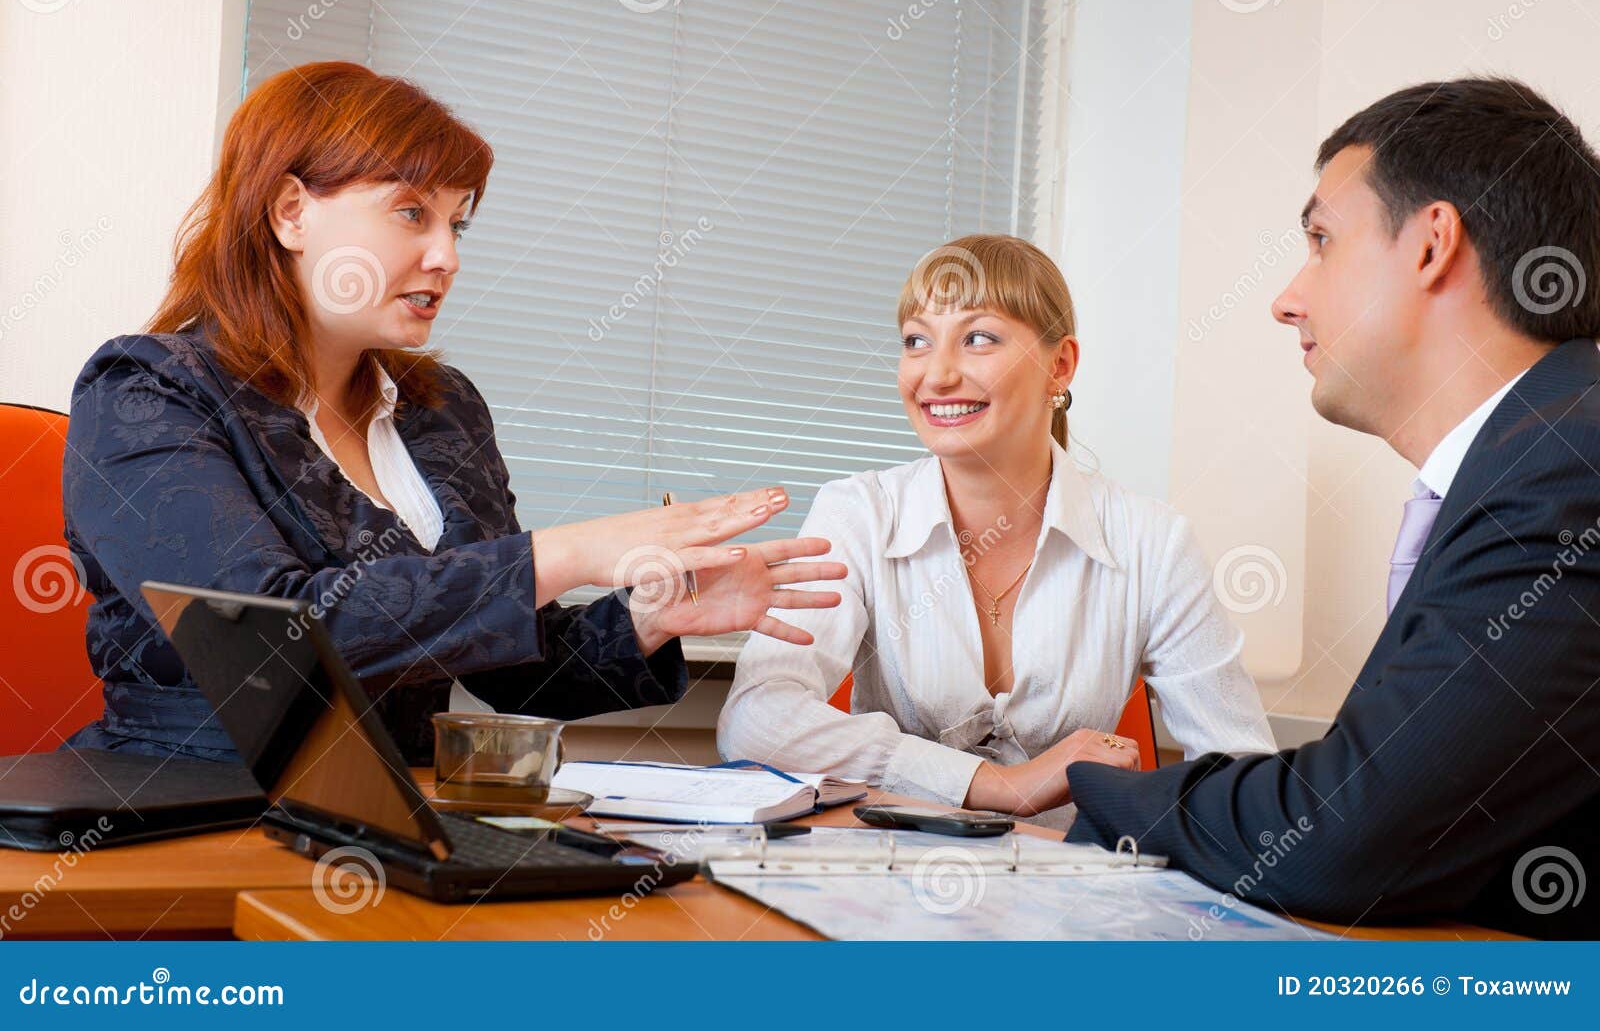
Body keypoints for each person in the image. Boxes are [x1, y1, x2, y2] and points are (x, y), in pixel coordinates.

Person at [62, 61, 845, 764]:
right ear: (291, 212)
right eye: (411, 213)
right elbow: (270, 644)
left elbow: (517, 671)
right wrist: (567, 552)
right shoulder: (146, 392)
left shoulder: (442, 411)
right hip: (186, 814)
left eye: (457, 221)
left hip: (401, 818)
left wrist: (653, 611)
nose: (448, 256)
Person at [1067, 78, 1600, 939]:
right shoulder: (1532, 450)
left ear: (1432, 245)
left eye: (1321, 240)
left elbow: (1343, 833)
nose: (1287, 298)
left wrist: (1093, 790)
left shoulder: (1568, 466)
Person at [717, 234, 1274, 826]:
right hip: (884, 882)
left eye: (978, 338)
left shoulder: (1151, 542)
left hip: (1064, 893)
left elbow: (1240, 770)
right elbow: (754, 720)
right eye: (916, 341)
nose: (936, 374)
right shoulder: (859, 513)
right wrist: (998, 784)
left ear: (1059, 365)